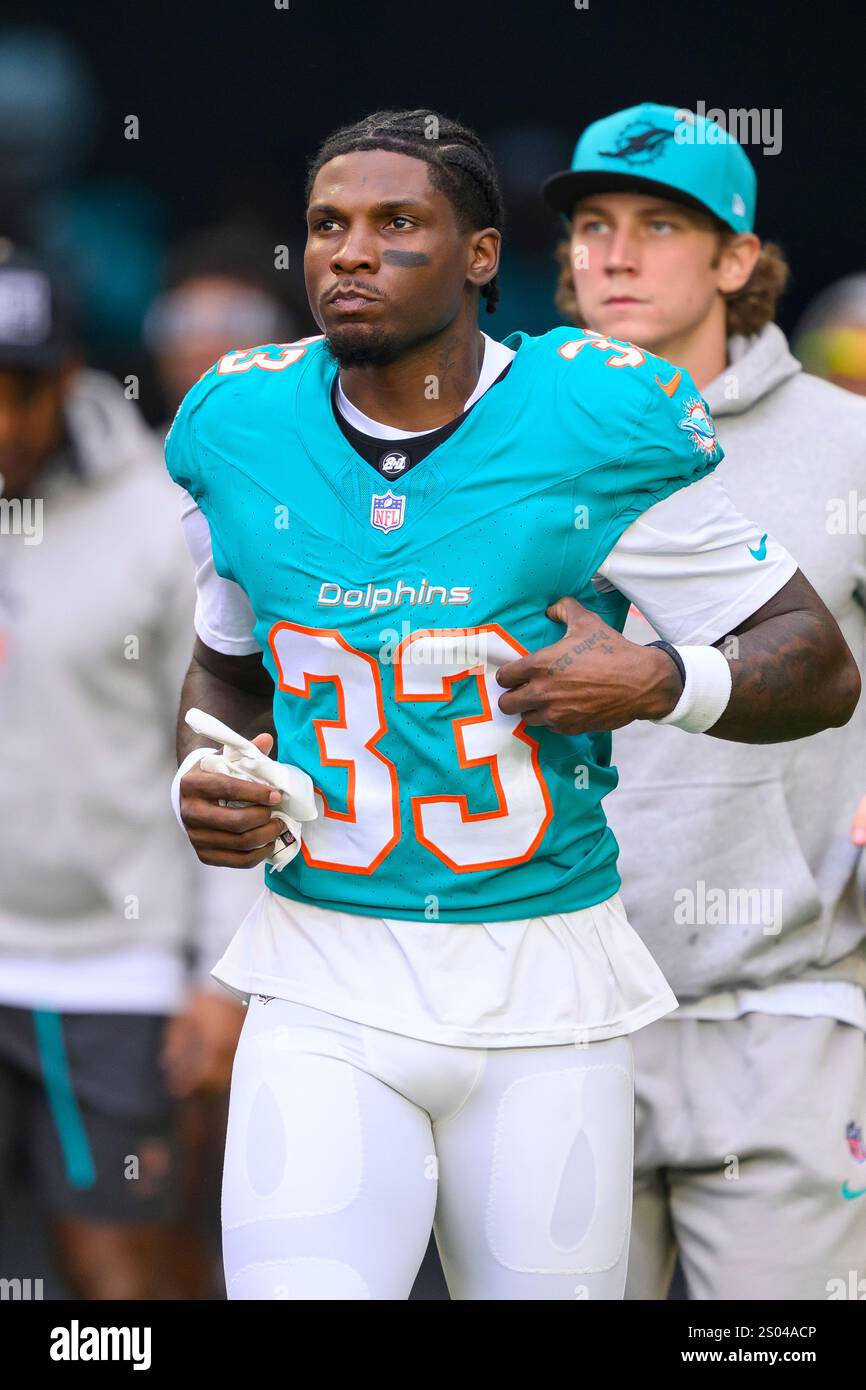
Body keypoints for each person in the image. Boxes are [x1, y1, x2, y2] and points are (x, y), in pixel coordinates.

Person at [164, 109, 859, 1302]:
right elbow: (227, 675)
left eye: (396, 224)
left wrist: (661, 679)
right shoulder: (241, 425)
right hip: (322, 968)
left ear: (480, 256)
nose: (349, 251)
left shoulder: (591, 419)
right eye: (327, 224)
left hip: (549, 985)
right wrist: (209, 778)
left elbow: (817, 661)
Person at [543, 100, 866, 1299]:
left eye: (657, 225)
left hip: (780, 1015)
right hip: (552, 1010)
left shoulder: (849, 445)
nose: (613, 254)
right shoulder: (500, 441)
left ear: (738, 262)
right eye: (589, 224)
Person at [0, 245, 247, 1299]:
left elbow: (223, 752)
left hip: (111, 968)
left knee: (122, 1285)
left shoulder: (163, 517)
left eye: (15, 391)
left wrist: (220, 976)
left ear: (66, 380)